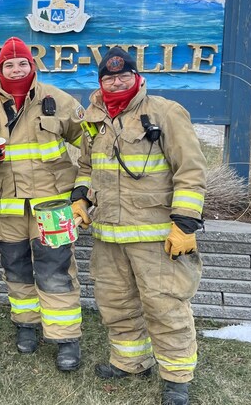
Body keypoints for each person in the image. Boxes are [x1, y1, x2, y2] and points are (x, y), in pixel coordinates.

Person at [72, 47, 206, 405]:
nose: (116, 82)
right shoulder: (94, 117)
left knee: (165, 306)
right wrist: (81, 198)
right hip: (107, 235)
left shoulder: (165, 112)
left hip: (156, 235)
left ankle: (177, 379)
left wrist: (185, 224)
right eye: (109, 78)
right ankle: (130, 362)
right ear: (101, 82)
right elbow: (86, 166)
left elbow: (190, 170)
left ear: (136, 77)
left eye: (123, 76)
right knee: (116, 303)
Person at [0, 37, 85, 371]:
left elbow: (90, 140)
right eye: (9, 64)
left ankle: (65, 337)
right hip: (5, 206)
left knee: (57, 269)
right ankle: (26, 324)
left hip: (53, 205)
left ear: (32, 66)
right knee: (15, 267)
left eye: (22, 63)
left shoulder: (57, 99)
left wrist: (86, 185)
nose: (16, 69)